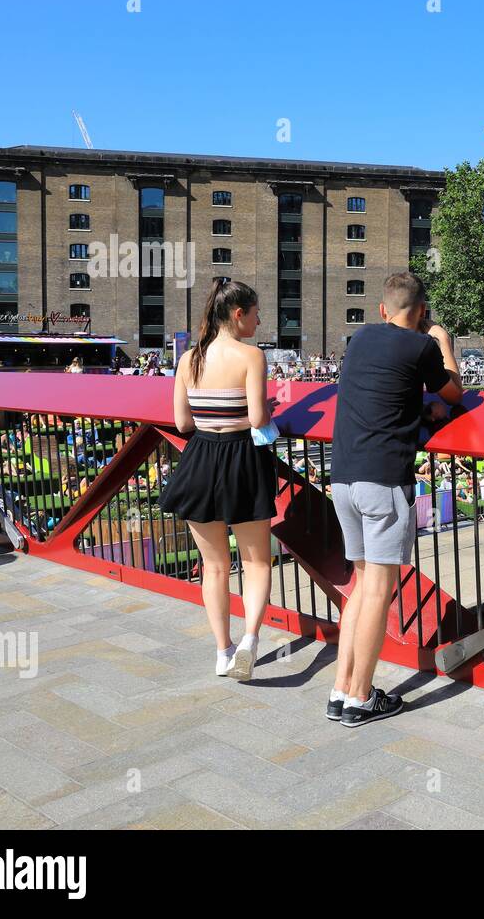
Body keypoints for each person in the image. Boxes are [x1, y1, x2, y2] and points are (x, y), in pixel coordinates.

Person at [328, 271, 463, 728]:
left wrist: (418, 407)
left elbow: (388, 393)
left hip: (343, 478)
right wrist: (443, 340)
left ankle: (340, 689)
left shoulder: (361, 339)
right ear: (422, 313)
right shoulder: (422, 345)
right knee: (380, 593)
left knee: (361, 587)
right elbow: (454, 391)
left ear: (382, 310)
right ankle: (362, 698)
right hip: (383, 480)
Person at [159, 277, 278, 681]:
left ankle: (222, 651)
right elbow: (260, 419)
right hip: (243, 458)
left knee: (213, 567)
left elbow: (181, 422)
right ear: (238, 313)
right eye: (256, 313)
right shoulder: (251, 356)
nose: (260, 322)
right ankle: (250, 640)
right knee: (257, 560)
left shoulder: (189, 359)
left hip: (200, 459)